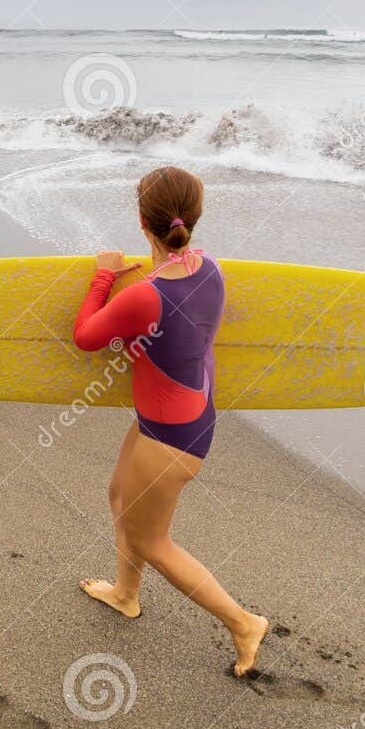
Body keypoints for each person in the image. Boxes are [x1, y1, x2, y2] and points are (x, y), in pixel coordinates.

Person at [72, 165, 270, 676]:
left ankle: (244, 623)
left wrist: (102, 275)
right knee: (118, 495)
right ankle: (124, 595)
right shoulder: (211, 268)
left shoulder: (143, 296)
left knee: (151, 540)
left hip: (172, 439)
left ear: (142, 222)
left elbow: (87, 336)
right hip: (182, 415)